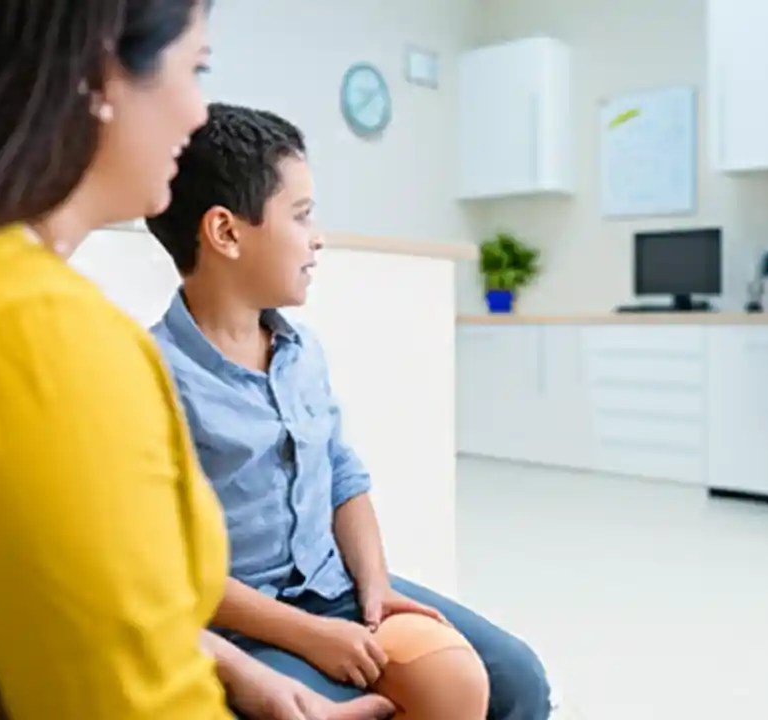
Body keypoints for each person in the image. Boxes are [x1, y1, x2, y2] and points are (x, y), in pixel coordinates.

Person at [0, 3, 393, 719]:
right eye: (195, 68)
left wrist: (246, 675)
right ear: (96, 78)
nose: (195, 111)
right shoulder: (43, 340)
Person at [146, 103, 554, 720]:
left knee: (516, 679)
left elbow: (342, 473)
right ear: (226, 232)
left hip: (335, 589)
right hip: (239, 625)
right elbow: (167, 569)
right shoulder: (152, 375)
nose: (318, 237)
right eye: (302, 216)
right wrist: (307, 636)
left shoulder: (299, 351)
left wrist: (377, 588)